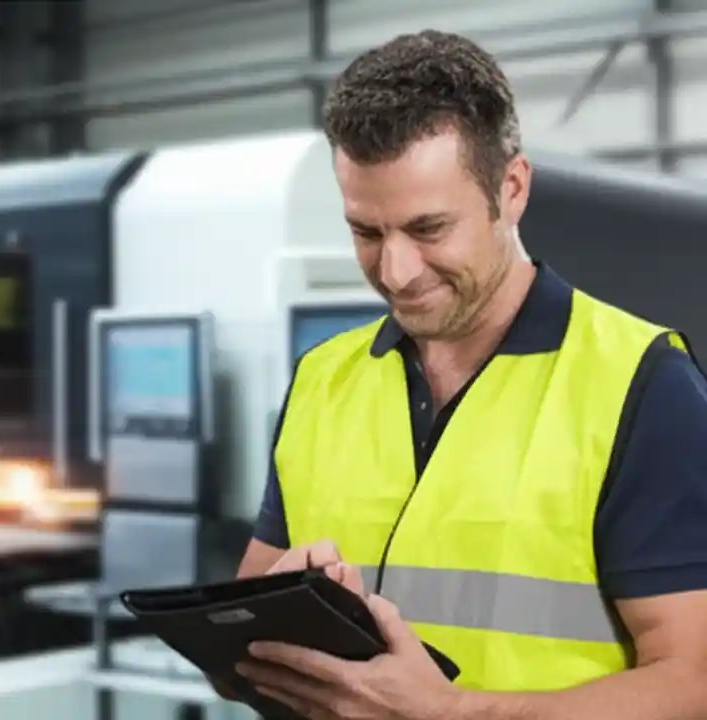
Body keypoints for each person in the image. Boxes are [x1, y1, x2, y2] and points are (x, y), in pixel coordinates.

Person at [225, 29, 707, 719]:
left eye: (428, 229)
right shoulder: (322, 379)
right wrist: (283, 615)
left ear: (511, 189)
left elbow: (693, 682)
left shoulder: (643, 386)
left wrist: (449, 713)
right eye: (366, 231)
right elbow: (243, 635)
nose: (396, 271)